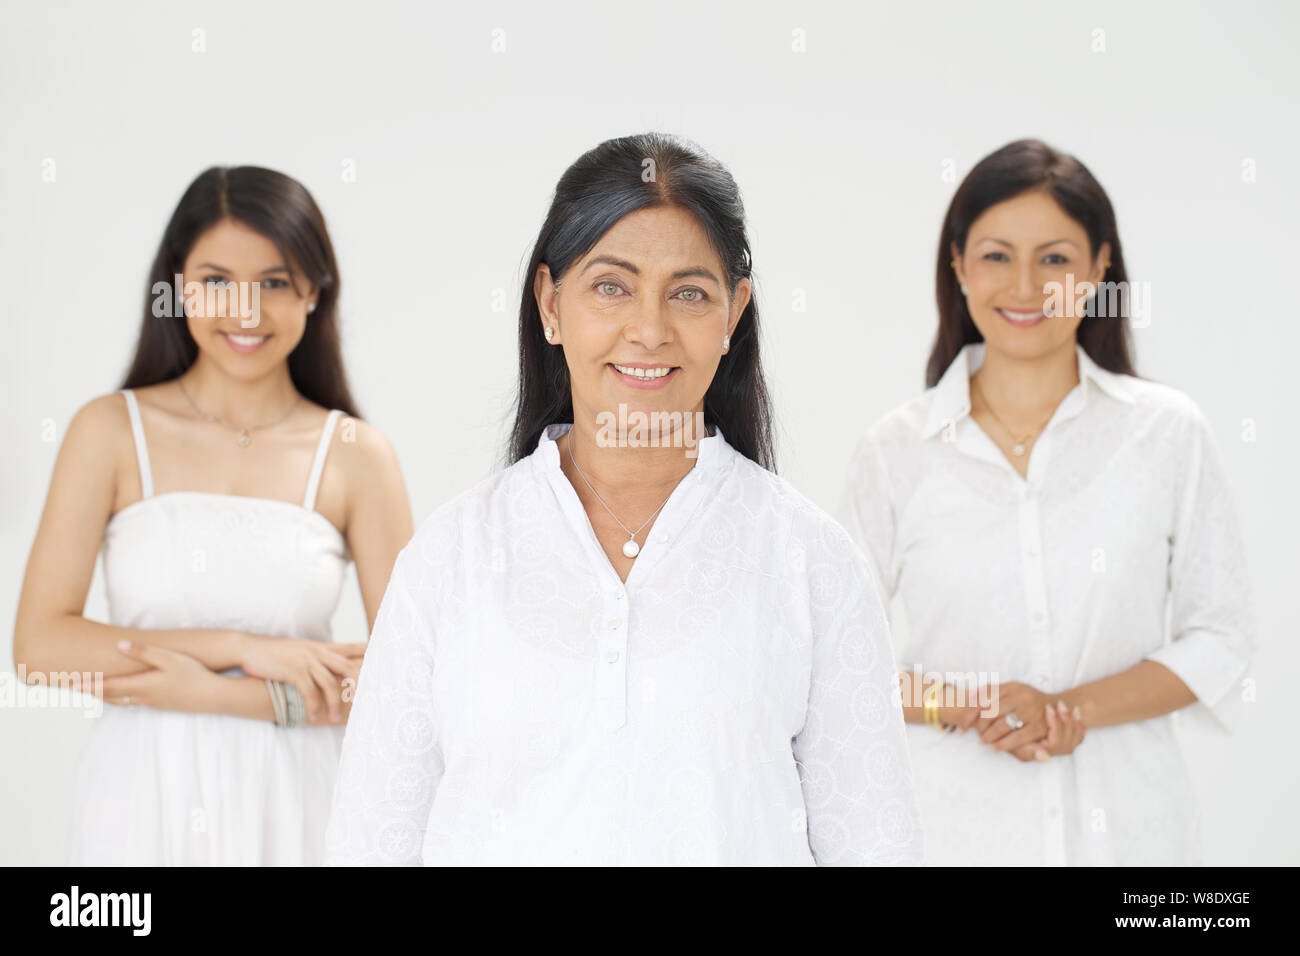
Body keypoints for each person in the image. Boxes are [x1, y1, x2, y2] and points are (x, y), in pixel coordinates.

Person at [325, 132, 923, 866]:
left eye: (689, 293)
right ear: (551, 304)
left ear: (733, 314)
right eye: (611, 286)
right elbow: (370, 844)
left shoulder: (811, 562)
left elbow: (876, 846)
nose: (649, 329)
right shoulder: (451, 560)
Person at [837, 139, 1256, 865]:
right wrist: (967, 703)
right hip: (954, 836)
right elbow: (838, 660)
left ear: (1098, 269)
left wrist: (1070, 711)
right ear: (959, 265)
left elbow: (1220, 637)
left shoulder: (1166, 434)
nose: (1025, 286)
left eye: (1056, 259)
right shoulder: (895, 450)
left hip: (1134, 840)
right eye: (997, 256)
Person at [12, 166, 413, 865]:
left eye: (276, 282)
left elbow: (413, 682)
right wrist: (240, 647)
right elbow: (40, 650)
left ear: (314, 290)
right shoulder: (108, 431)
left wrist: (222, 696)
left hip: (298, 799)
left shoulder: (355, 455)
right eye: (218, 280)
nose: (246, 312)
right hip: (142, 797)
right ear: (177, 285)